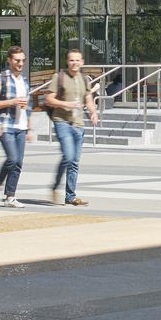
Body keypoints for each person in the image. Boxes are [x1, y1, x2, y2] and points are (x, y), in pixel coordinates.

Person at [41, 48, 100, 206]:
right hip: (62, 121)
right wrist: (65, 104)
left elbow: (88, 99)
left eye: (77, 60)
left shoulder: (84, 79)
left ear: (82, 62)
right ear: (67, 62)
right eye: (71, 60)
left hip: (78, 124)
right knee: (68, 156)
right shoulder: (59, 77)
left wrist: (93, 112)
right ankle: (55, 187)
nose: (74, 63)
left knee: (74, 161)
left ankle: (70, 196)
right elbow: (48, 99)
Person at [0, 46, 33, 208]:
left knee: (18, 163)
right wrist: (11, 102)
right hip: (5, 124)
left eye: (22, 60)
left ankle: (10, 196)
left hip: (20, 126)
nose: (20, 63)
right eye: (17, 60)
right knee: (12, 158)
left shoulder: (24, 81)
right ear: (9, 60)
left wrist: (29, 128)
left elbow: (27, 107)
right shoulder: (0, 78)